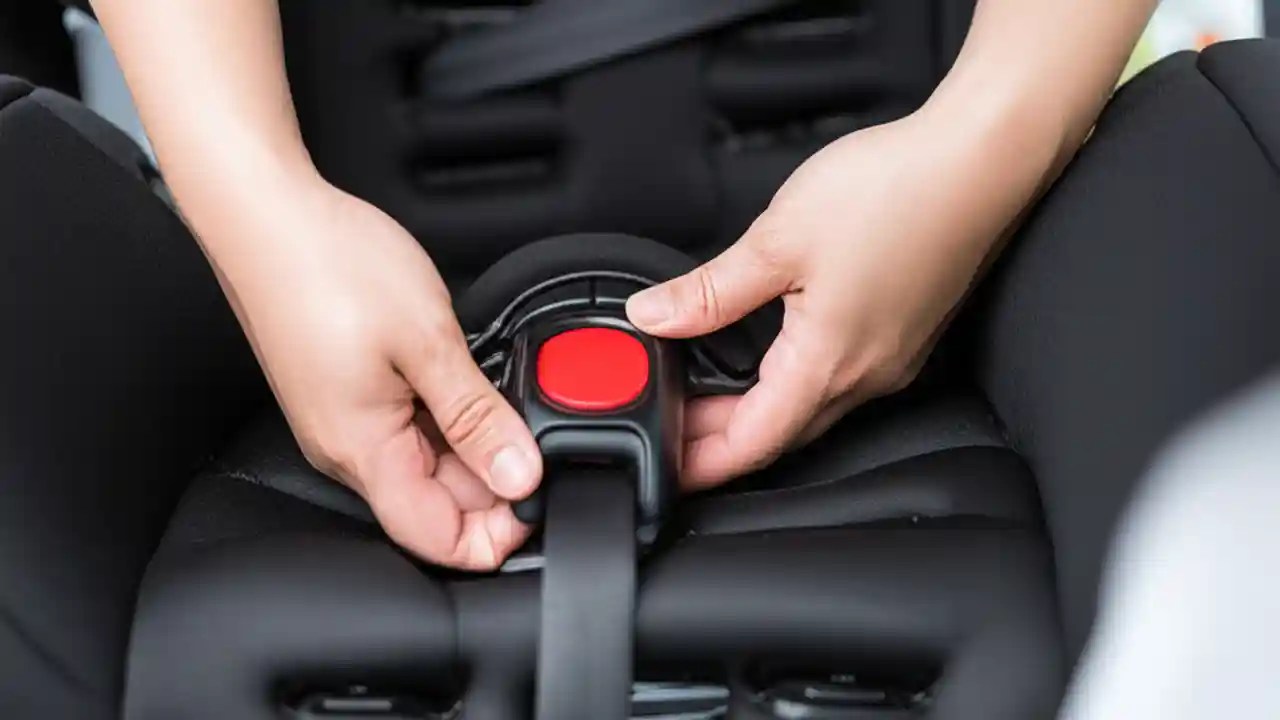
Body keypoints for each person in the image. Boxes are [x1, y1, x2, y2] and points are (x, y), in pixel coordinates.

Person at [87, 0, 1158, 569]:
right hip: (340, 244)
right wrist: (252, 202)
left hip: (929, 204)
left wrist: (992, 132)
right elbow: (254, 201)